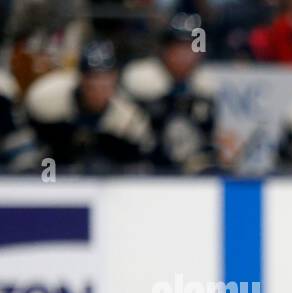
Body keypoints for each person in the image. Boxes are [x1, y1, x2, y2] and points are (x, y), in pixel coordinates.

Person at [25, 39, 154, 173]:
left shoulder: (130, 120)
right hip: (52, 180)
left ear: (115, 78)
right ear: (80, 78)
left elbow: (139, 172)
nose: (98, 85)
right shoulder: (48, 100)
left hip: (110, 185)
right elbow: (28, 156)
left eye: (105, 78)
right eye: (93, 77)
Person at [121, 14, 220, 174]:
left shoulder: (206, 83)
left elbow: (208, 137)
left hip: (190, 169)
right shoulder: (141, 76)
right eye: (178, 47)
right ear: (164, 49)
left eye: (191, 47)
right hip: (142, 165)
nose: (185, 55)